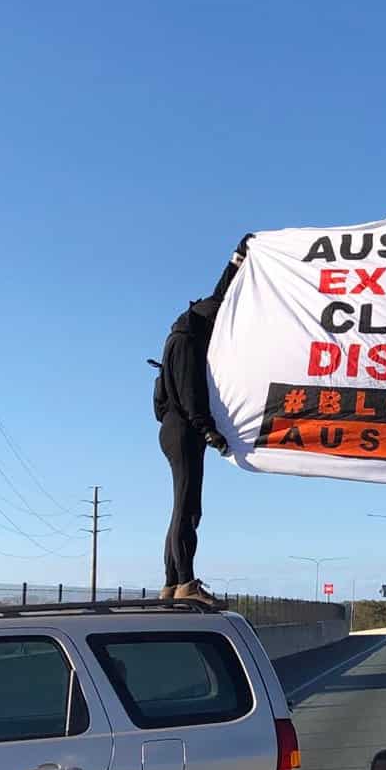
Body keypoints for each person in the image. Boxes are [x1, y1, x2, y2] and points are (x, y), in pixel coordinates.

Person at [153, 238, 248, 604]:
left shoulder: (186, 328)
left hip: (174, 428)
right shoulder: (189, 342)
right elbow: (193, 393)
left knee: (182, 504)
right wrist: (209, 429)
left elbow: (219, 298)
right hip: (185, 429)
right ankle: (186, 582)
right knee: (188, 506)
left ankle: (173, 582)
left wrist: (237, 261)